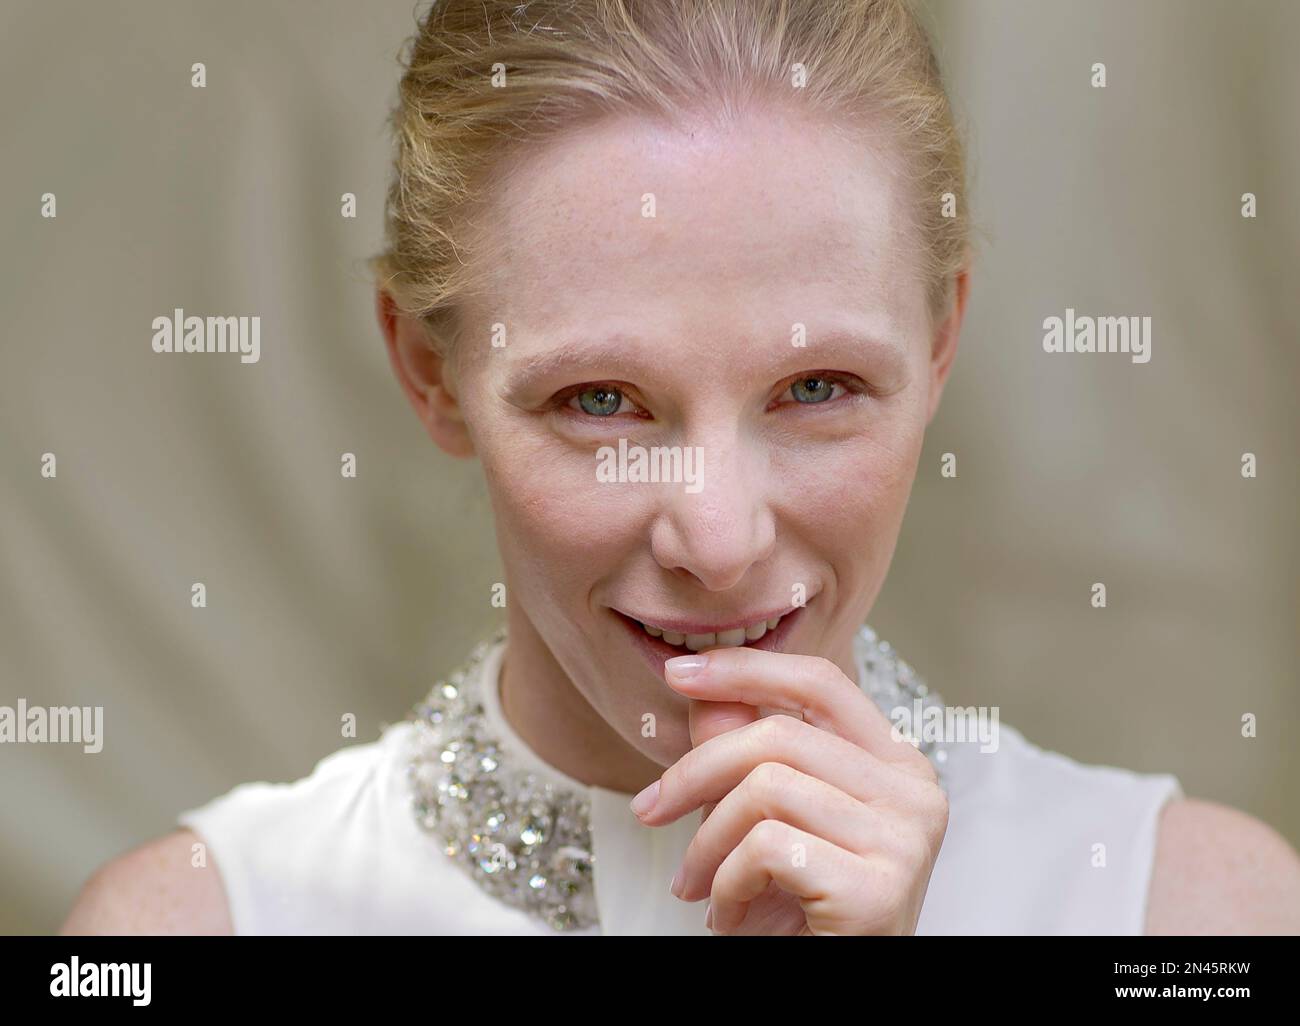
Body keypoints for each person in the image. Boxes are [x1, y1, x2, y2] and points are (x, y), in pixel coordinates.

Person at [62, 0, 1300, 936]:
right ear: (429, 374)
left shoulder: (1191, 910)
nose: (716, 543)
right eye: (600, 402)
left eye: (816, 390)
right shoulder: (181, 927)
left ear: (938, 344)